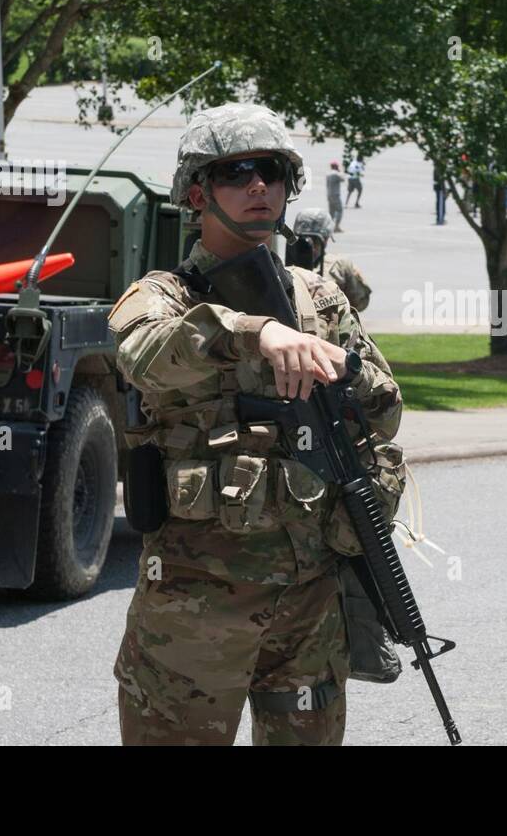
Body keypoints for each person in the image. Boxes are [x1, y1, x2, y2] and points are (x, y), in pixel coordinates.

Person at [109, 102, 405, 745]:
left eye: (271, 171)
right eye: (236, 172)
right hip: (195, 607)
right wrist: (256, 334)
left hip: (309, 601)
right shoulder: (162, 295)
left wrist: (342, 371)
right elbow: (146, 353)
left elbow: (386, 411)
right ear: (195, 192)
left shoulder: (319, 298)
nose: (258, 187)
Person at [290, 208, 373, 312]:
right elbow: (360, 302)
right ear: (326, 239)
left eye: (315, 241)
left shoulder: (282, 266)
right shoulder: (340, 266)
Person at [326, 159, 345, 233]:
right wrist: (341, 171)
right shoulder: (336, 174)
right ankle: (336, 226)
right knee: (339, 210)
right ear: (336, 166)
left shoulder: (328, 174)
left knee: (331, 212)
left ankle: (329, 227)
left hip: (329, 195)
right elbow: (343, 179)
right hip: (336, 195)